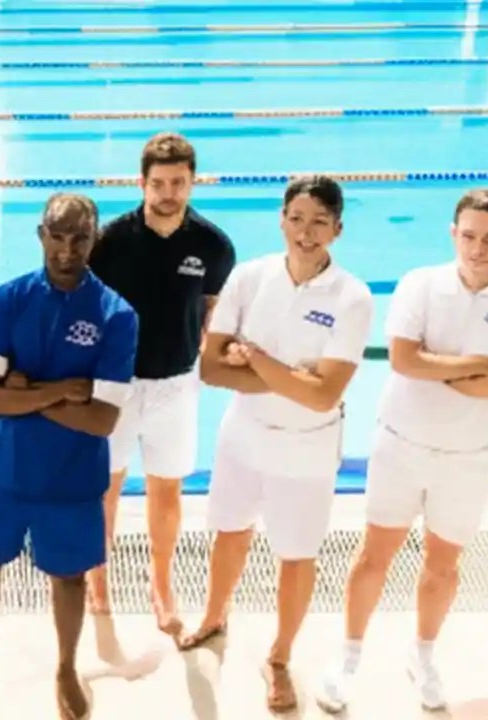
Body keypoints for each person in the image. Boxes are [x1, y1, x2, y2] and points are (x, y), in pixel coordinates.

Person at [315, 188, 488, 714]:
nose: (478, 248)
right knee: (374, 556)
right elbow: (403, 360)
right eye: (469, 236)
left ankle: (424, 654)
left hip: (468, 458)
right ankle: (348, 657)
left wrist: (441, 365)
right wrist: (476, 365)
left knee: (441, 565)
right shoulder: (419, 285)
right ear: (453, 233)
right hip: (402, 445)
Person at [0, 193, 138, 720]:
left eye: (80, 237)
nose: (67, 249)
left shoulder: (117, 317)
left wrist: (24, 394)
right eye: (58, 235)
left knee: (69, 578)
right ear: (40, 234)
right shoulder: (7, 300)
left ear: (94, 240)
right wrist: (60, 392)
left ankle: (67, 667)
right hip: (6, 470)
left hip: (73, 478)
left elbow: (102, 419)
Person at [185, 175, 373, 712]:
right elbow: (213, 367)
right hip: (243, 434)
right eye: (297, 219)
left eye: (319, 222)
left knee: (296, 556)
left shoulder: (352, 298)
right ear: (281, 219)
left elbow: (323, 396)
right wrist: (296, 377)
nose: (306, 232)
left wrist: (259, 359)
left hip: (307, 447)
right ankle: (215, 615)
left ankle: (280, 657)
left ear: (337, 229)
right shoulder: (249, 277)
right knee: (229, 531)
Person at [86, 131, 236, 628]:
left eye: (179, 182)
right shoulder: (110, 242)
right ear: (142, 183)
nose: (169, 192)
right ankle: (98, 574)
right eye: (159, 183)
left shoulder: (213, 246)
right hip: (117, 384)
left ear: (193, 182)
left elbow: (213, 310)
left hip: (176, 385)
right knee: (104, 487)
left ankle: (161, 581)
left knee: (165, 489)